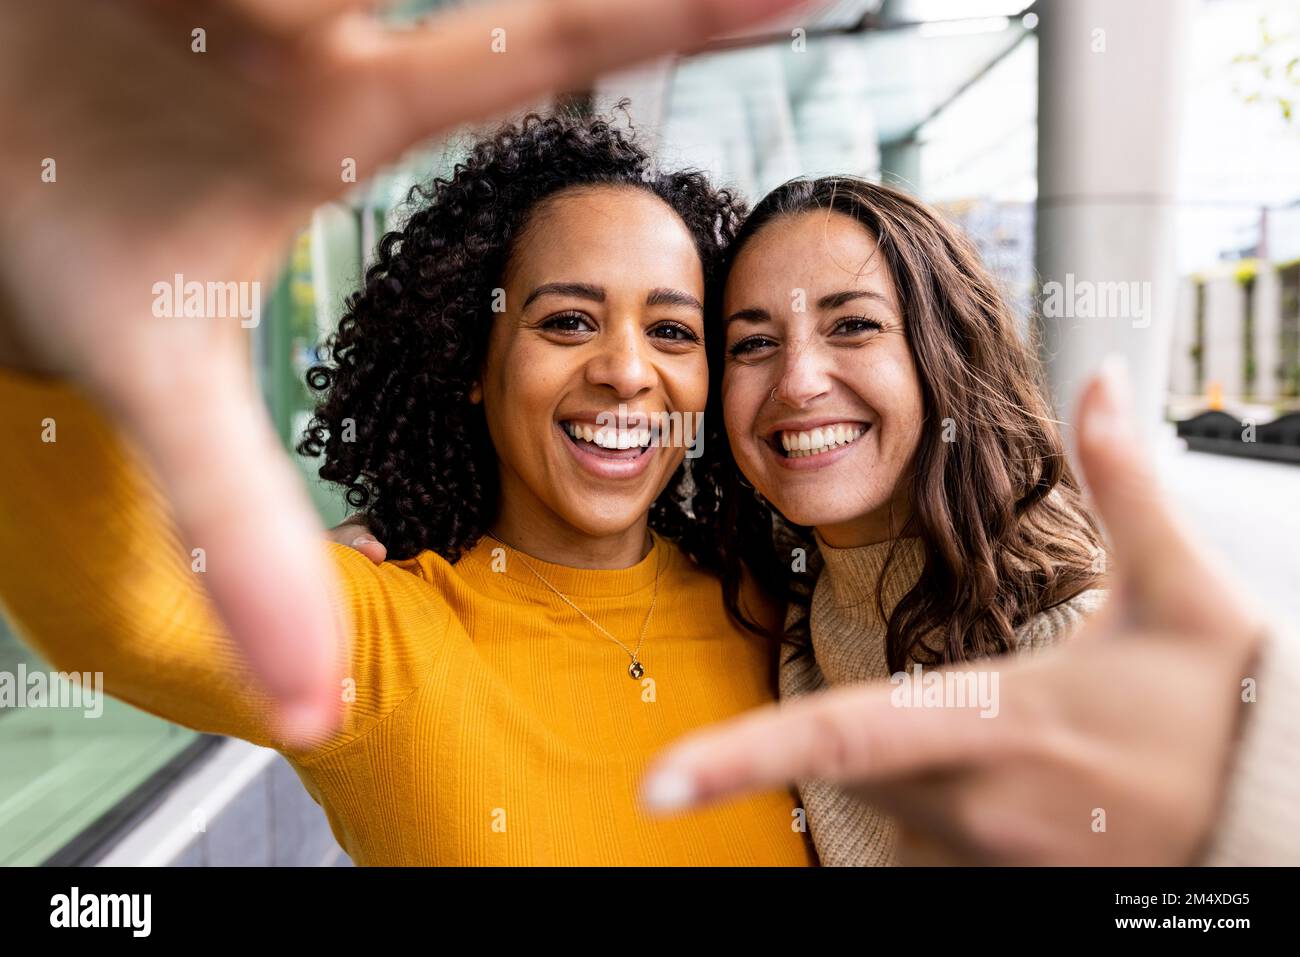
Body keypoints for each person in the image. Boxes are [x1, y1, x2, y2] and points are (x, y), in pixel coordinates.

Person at [0, 103, 815, 865]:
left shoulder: (775, 603)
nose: (628, 371)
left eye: (672, 331)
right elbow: (120, 614)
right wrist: (51, 255)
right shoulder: (382, 634)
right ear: (472, 360)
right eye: (567, 321)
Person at [642, 360, 1300, 866]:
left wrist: (1249, 809)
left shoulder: (1066, 638)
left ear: (944, 361)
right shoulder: (781, 606)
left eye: (854, 325)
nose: (799, 380)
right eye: (754, 343)